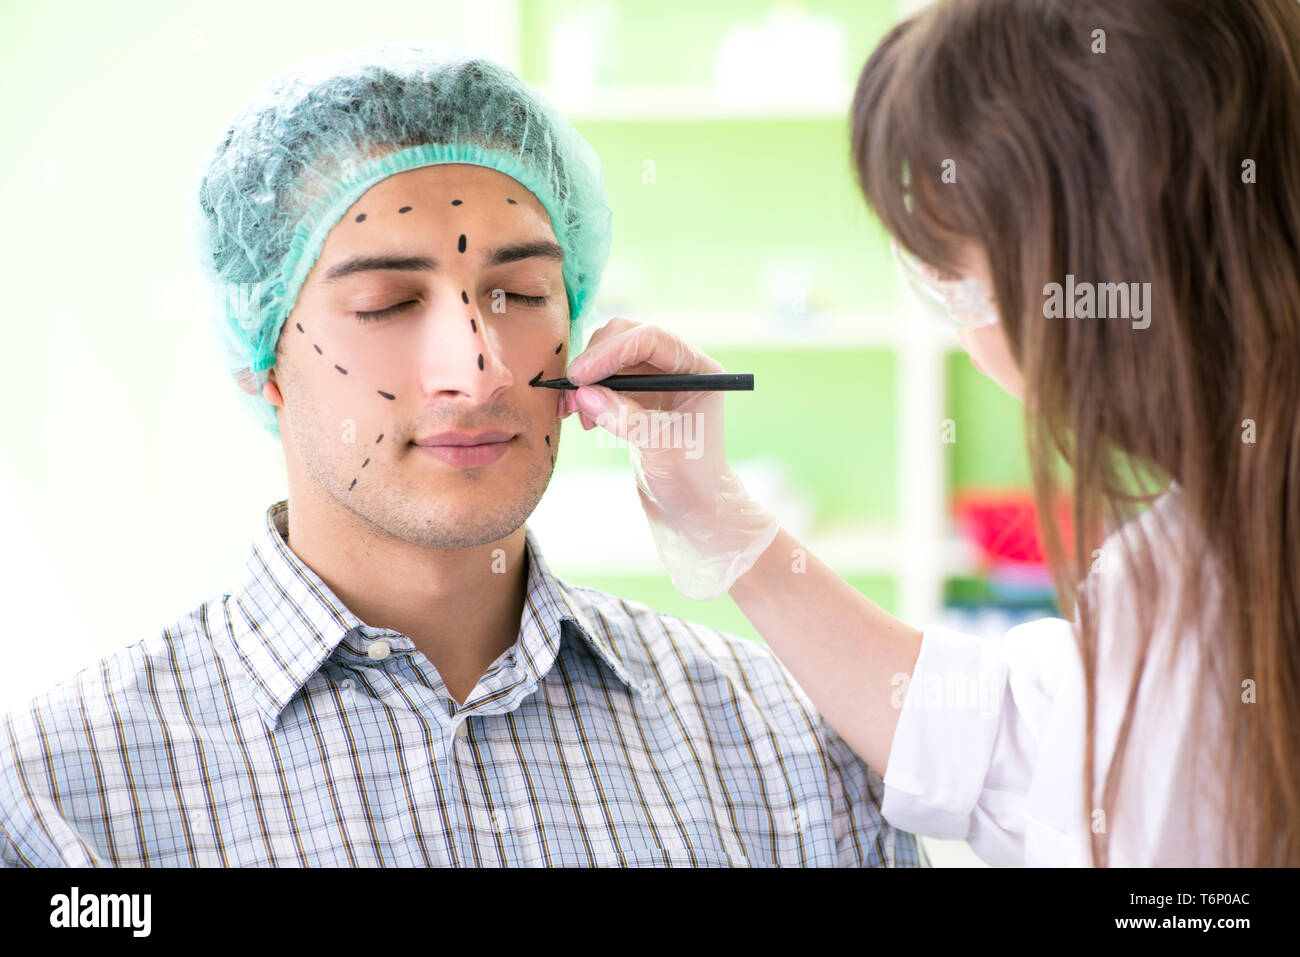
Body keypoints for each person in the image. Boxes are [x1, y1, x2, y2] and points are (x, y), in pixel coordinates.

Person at [0, 45, 924, 868]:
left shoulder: (794, 745)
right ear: (262, 359)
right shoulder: (58, 798)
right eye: (388, 305)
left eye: (519, 293)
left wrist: (729, 525)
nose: (478, 371)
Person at [559, 0, 1300, 866]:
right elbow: (1008, 748)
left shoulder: (1202, 585)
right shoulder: (1211, 546)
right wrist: (722, 519)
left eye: (944, 255)